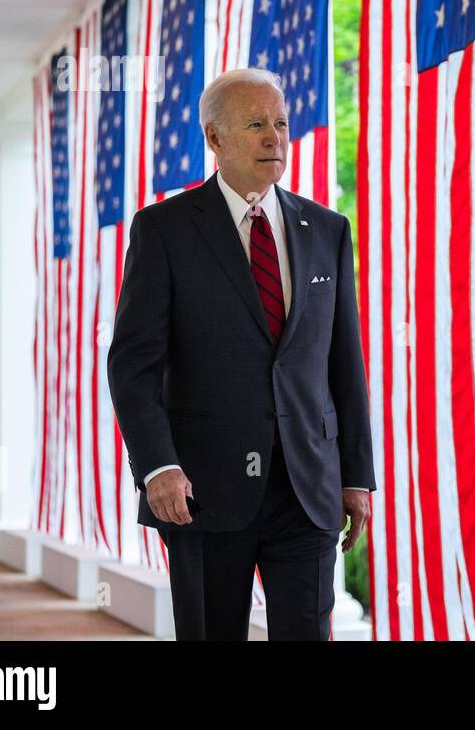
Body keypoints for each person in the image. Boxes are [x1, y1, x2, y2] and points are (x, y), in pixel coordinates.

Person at [107, 67, 376, 640]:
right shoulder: (164, 230)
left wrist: (357, 475)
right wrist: (158, 465)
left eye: (280, 122)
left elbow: (343, 364)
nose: (274, 138)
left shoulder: (326, 229)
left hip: (307, 486)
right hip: (201, 490)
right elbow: (133, 365)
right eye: (256, 124)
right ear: (214, 139)